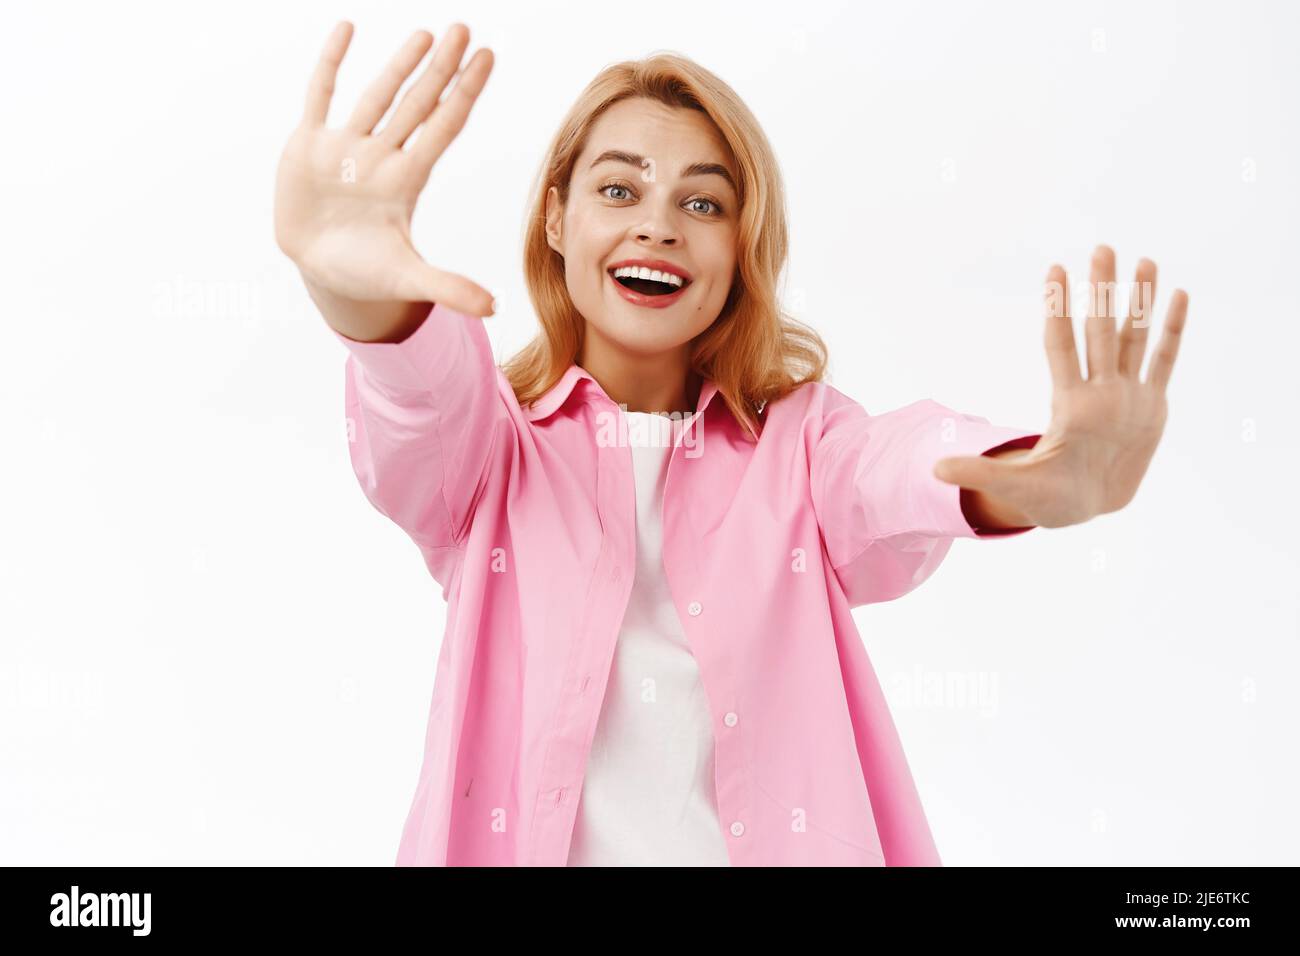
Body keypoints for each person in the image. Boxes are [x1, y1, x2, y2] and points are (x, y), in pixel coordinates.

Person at [273, 22, 1190, 866]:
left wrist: (1034, 478)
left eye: (703, 204)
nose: (659, 224)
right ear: (558, 220)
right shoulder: (487, 455)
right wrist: (347, 283)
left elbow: (899, 468)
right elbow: (414, 390)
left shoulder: (802, 446)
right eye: (619, 188)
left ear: (742, 246)